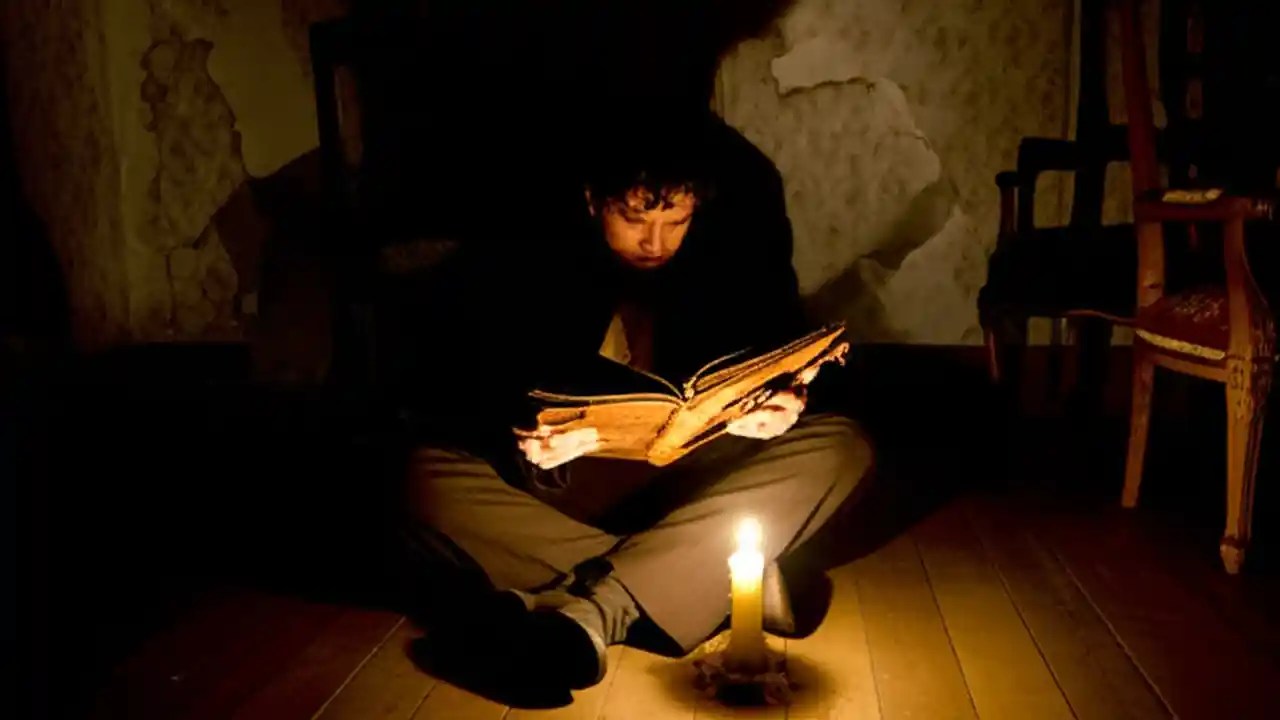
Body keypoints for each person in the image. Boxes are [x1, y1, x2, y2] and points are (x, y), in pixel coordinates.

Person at [394, 110, 873, 692]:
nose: (655, 241)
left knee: (841, 445)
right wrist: (530, 436)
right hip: (566, 490)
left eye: (677, 219)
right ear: (595, 201)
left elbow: (779, 350)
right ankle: (728, 585)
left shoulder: (729, 263)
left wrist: (784, 399)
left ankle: (591, 611)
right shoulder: (528, 260)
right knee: (423, 475)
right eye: (634, 217)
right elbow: (474, 388)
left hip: (691, 488)